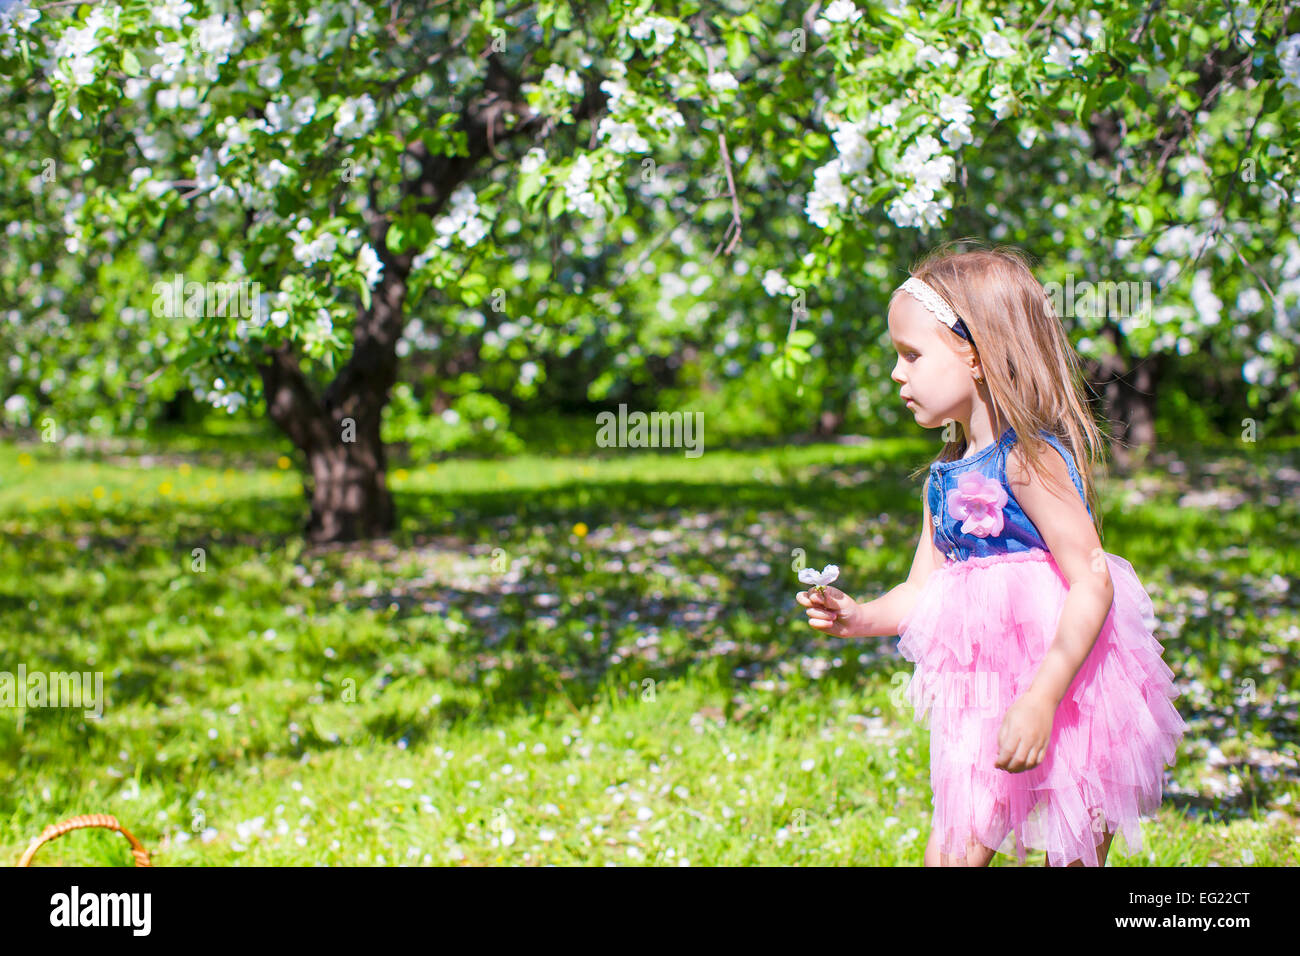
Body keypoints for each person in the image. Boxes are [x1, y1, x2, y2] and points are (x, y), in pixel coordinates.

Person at [795, 243, 1188, 867]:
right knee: (956, 840)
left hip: (1068, 687)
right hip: (978, 696)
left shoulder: (1028, 460)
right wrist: (860, 615)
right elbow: (922, 590)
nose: (898, 374)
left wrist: (1041, 697)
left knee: (1076, 843)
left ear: (974, 354)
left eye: (911, 356)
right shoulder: (943, 478)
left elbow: (1092, 580)